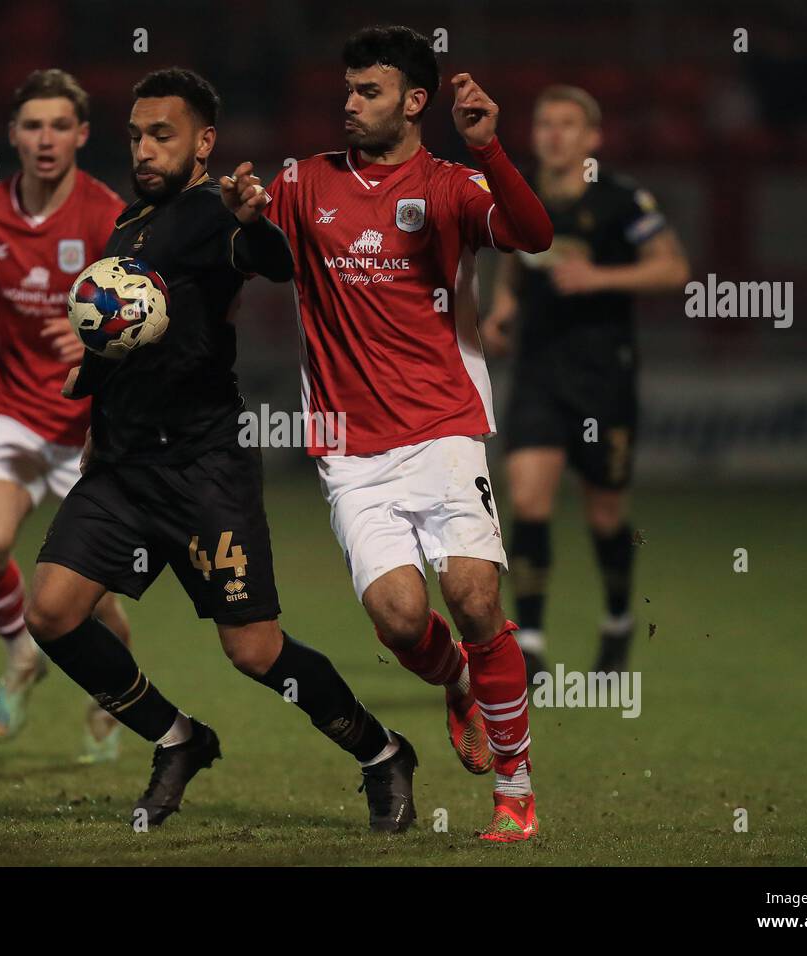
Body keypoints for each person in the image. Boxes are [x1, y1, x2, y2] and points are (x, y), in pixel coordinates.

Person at [24, 68, 418, 832]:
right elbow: (130, 335)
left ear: (204, 141)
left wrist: (255, 222)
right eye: (136, 134)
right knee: (51, 612)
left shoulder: (212, 213)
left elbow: (268, 260)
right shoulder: (129, 228)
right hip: (124, 468)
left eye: (161, 134)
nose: (143, 147)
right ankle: (177, 739)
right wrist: (89, 378)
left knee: (255, 651)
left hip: (204, 469)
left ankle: (381, 753)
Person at [263, 25, 553, 841]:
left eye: (369, 92)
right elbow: (246, 245)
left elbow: (534, 235)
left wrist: (492, 150)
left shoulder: (452, 185)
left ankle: (515, 788)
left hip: (444, 427)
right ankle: (456, 679)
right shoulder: (305, 181)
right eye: (347, 89)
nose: (348, 104)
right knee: (397, 618)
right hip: (349, 447)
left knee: (472, 594)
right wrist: (240, 213)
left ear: (414, 102)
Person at [0, 69, 130, 759]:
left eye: (58, 126)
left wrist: (91, 337)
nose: (45, 139)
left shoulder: (108, 215)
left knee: (94, 606)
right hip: (14, 413)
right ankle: (22, 654)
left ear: (80, 134)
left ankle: (113, 700)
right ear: (13, 135)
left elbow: (142, 316)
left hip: (89, 431)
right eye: (32, 125)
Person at [480, 85, 689, 676]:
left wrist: (597, 277)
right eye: (546, 123)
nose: (554, 134)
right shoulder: (520, 194)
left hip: (604, 377)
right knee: (526, 501)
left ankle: (620, 619)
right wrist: (501, 311)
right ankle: (535, 645)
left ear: (592, 138)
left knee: (604, 515)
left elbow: (675, 268)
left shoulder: (622, 199)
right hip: (539, 371)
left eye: (569, 125)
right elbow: (513, 262)